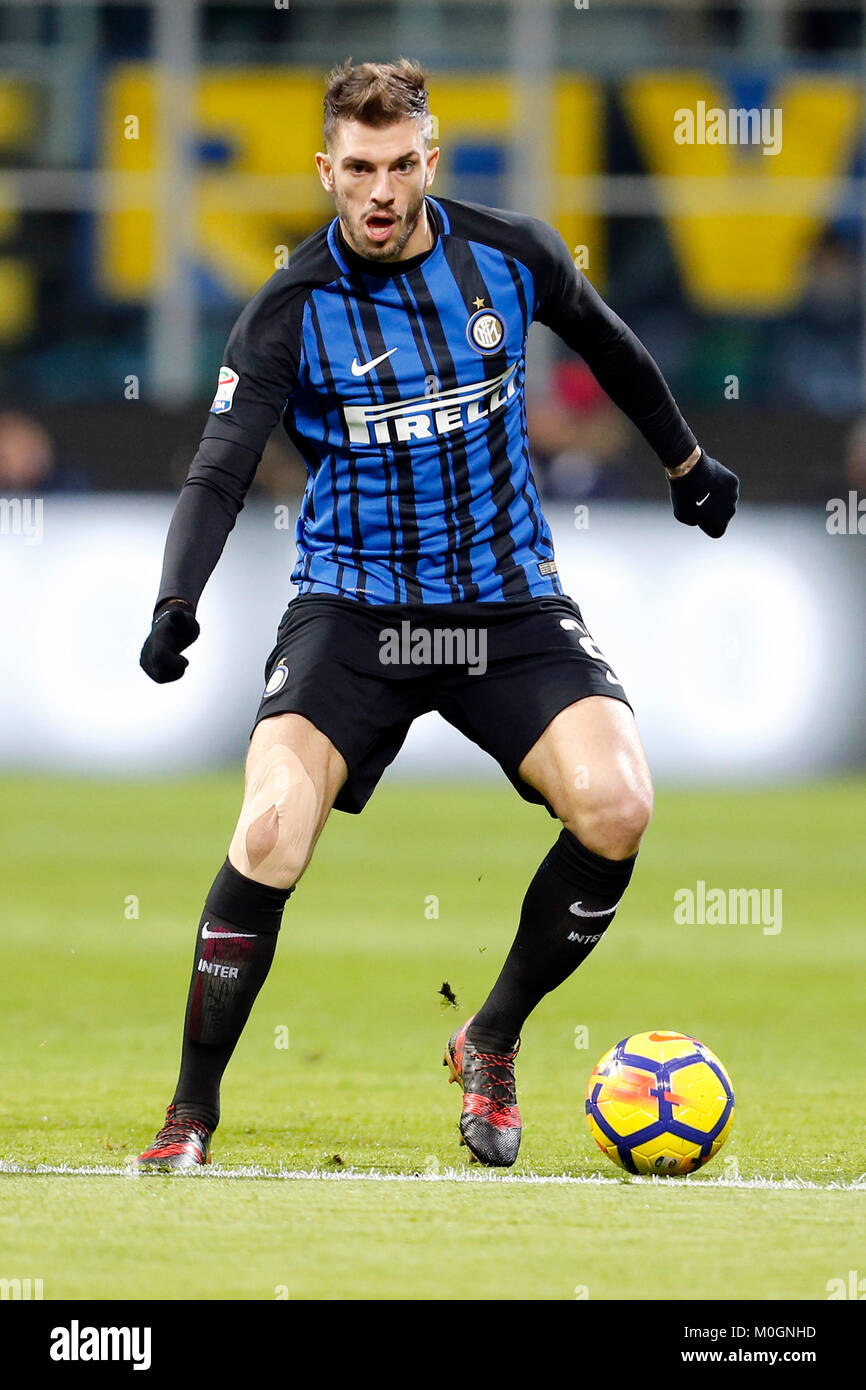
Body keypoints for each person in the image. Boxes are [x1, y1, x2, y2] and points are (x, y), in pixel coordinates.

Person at [137, 59, 738, 1171]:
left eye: (398, 164)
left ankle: (491, 1037)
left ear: (430, 160)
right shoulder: (287, 309)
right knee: (267, 830)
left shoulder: (510, 254)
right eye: (356, 168)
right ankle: (190, 1114)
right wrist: (180, 599)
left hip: (503, 600)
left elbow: (609, 346)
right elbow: (220, 468)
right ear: (325, 171)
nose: (377, 189)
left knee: (615, 806)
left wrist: (685, 463)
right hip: (352, 608)